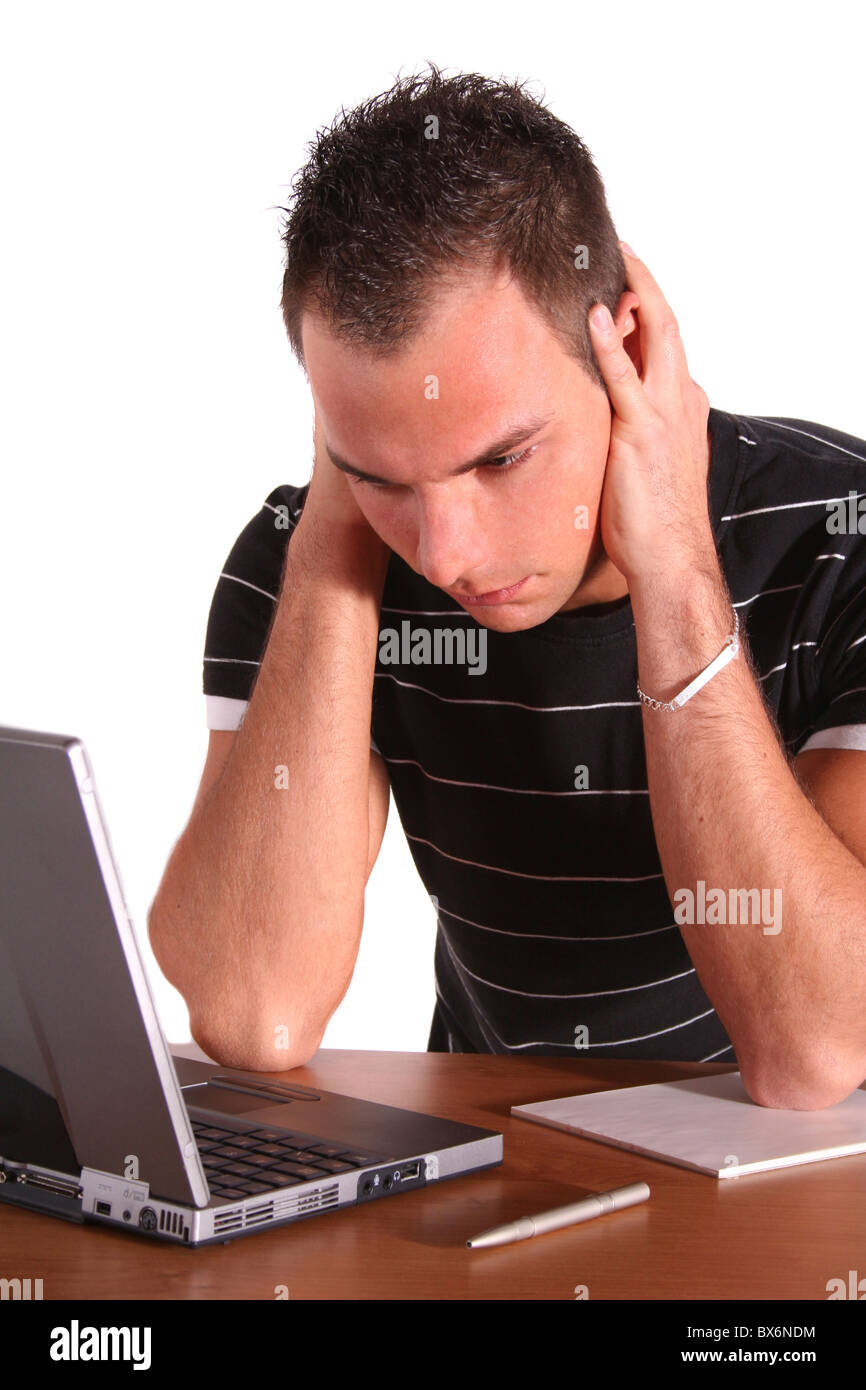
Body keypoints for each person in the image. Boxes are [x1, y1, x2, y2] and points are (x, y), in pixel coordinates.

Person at [147, 66, 866, 1110]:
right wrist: (333, 537)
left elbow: (814, 1049)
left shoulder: (837, 540)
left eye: (497, 460)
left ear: (624, 348)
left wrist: (671, 561)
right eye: (380, 473)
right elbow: (254, 1007)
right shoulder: (312, 556)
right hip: (510, 1172)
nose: (443, 553)